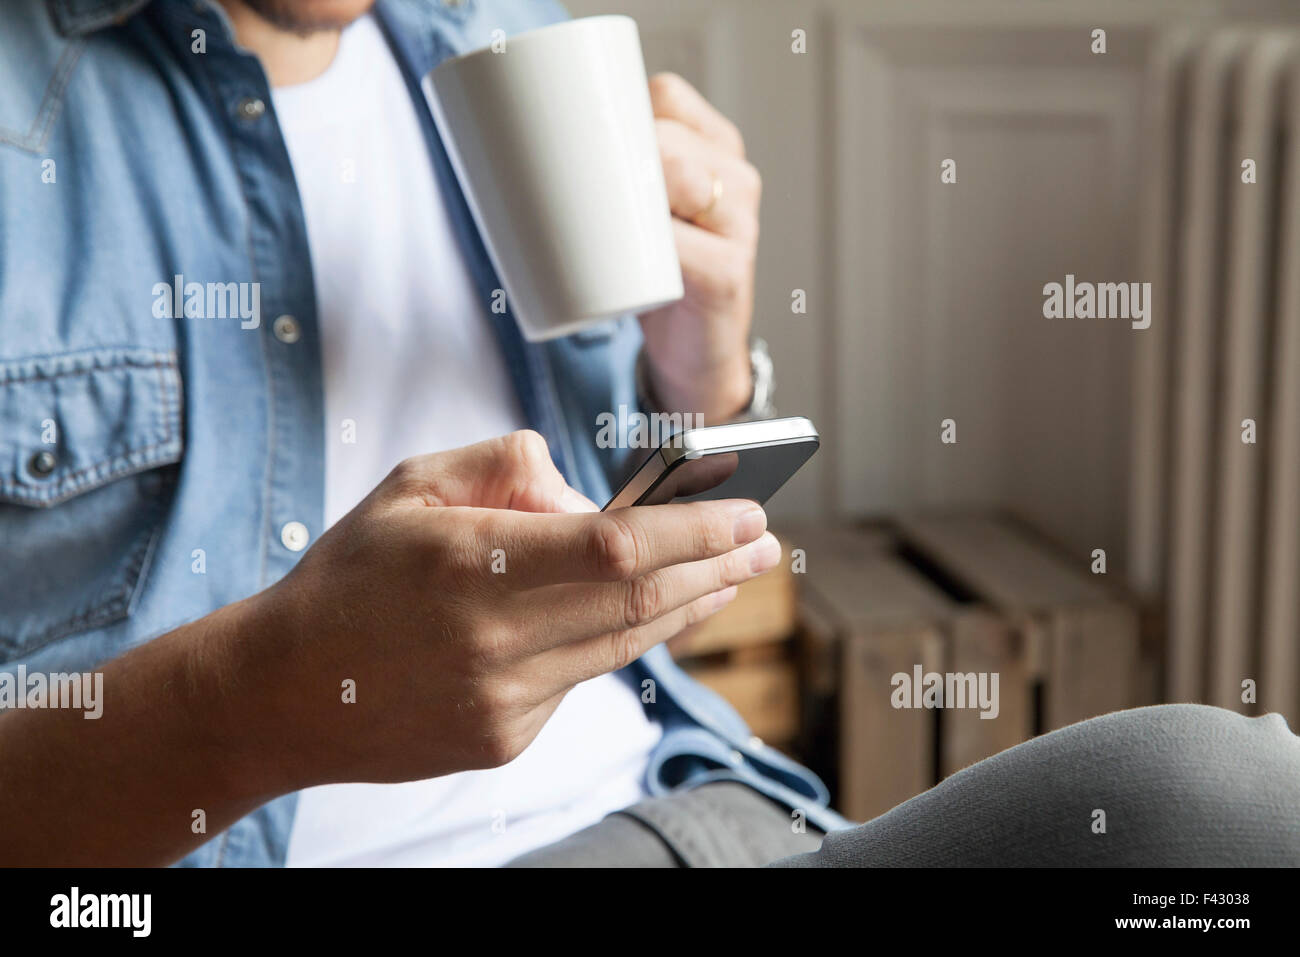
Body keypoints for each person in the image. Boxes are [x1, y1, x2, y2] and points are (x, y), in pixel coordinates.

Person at [0, 0, 1296, 868]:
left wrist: (706, 366)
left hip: (712, 805)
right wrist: (260, 698)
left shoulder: (492, 32)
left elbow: (640, 595)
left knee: (1235, 820)